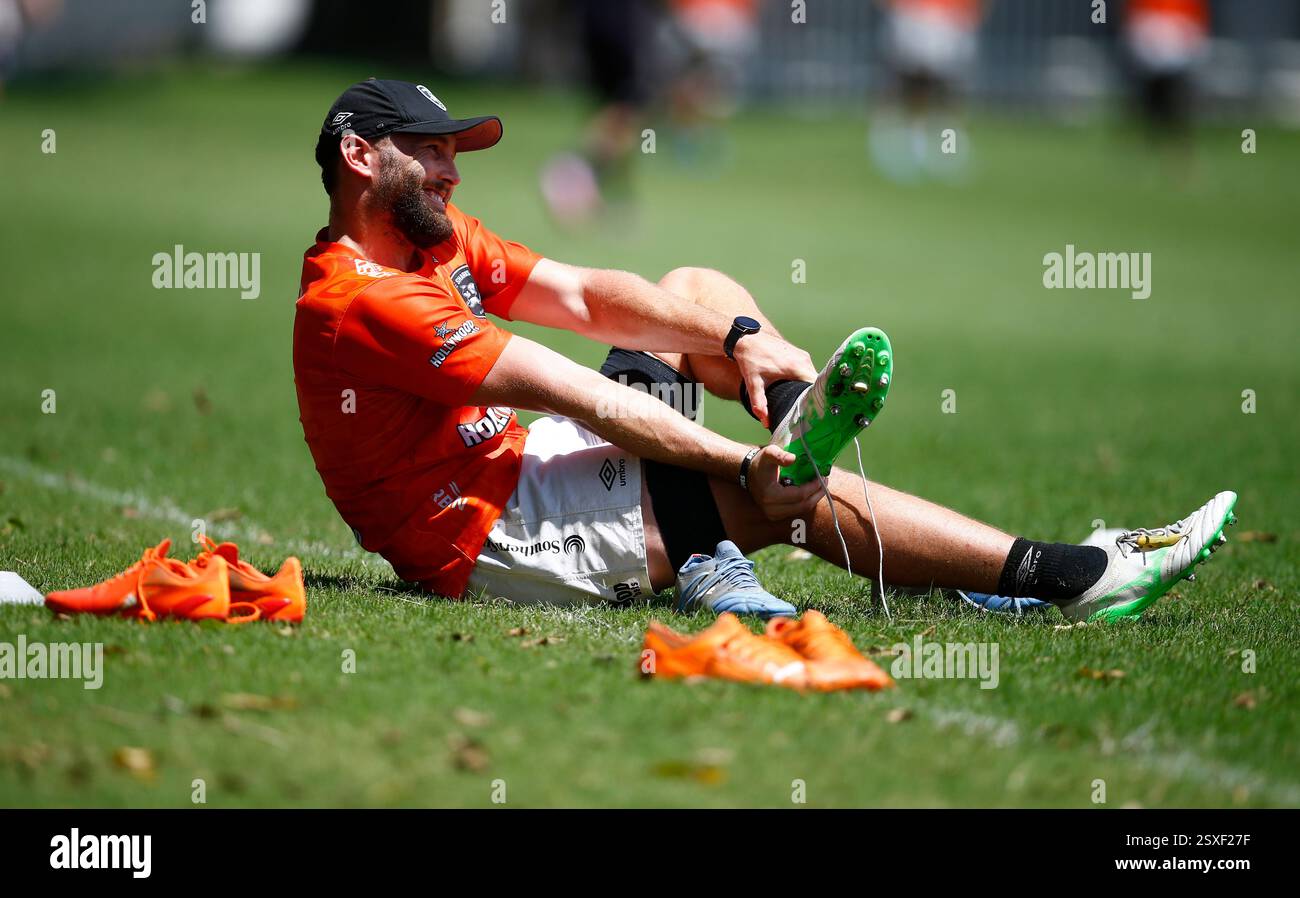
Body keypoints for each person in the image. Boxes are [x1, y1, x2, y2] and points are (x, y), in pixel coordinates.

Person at [294, 78, 1237, 626]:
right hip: (488, 538)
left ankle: (737, 506)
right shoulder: (358, 302)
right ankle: (1074, 577)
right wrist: (744, 460)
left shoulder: (433, 235)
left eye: (458, 150)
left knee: (701, 290)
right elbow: (583, 393)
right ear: (362, 159)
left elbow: (582, 297)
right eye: (431, 150)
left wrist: (743, 339)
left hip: (518, 465)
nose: (455, 169)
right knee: (777, 496)